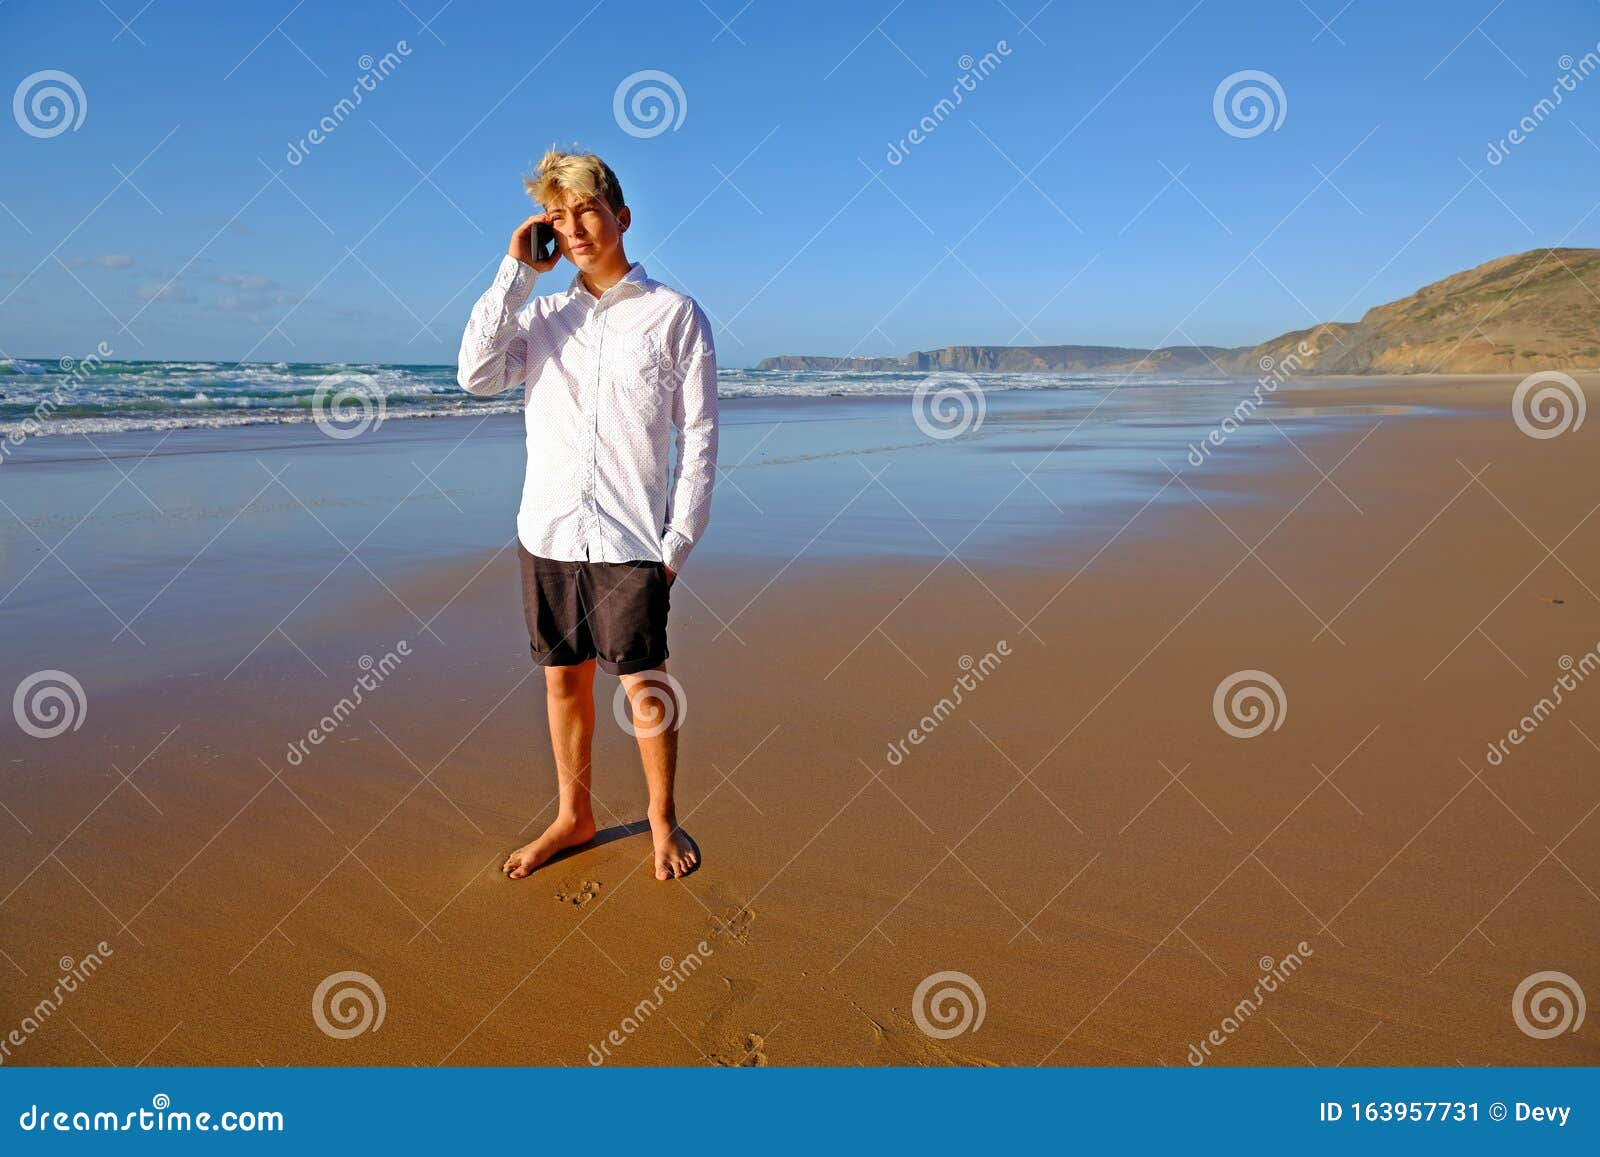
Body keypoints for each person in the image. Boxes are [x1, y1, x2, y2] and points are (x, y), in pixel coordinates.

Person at [456, 148, 718, 882]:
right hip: (547, 533)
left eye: (586, 211)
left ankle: (662, 819)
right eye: (558, 216)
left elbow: (697, 437)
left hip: (632, 537)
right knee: (562, 681)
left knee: (645, 685)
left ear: (621, 216)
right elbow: (475, 376)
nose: (573, 228)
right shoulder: (540, 317)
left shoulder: (675, 316)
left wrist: (676, 544)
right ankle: (575, 815)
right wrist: (514, 274)